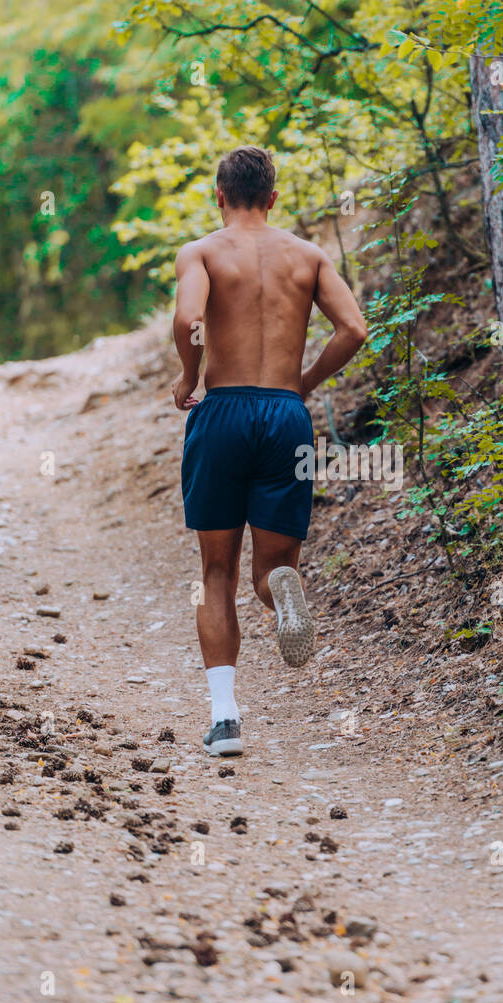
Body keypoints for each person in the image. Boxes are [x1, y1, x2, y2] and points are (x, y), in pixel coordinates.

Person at [172, 145, 367, 757]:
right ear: (274, 198)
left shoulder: (202, 251)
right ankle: (282, 589)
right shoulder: (306, 256)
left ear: (220, 195)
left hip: (223, 411)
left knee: (216, 573)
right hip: (285, 416)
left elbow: (187, 319)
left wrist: (188, 377)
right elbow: (354, 329)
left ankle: (225, 720)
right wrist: (303, 384)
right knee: (270, 569)